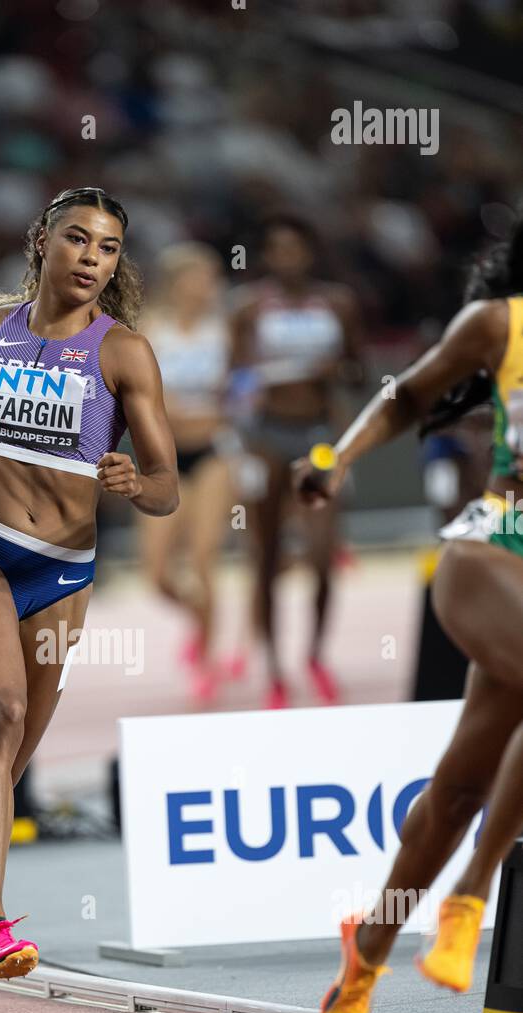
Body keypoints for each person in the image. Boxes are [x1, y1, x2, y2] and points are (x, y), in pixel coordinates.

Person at [0, 187, 178, 982]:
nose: (91, 258)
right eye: (78, 239)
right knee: (3, 713)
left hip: (64, 574)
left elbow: (167, 487)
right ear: (42, 244)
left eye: (109, 247)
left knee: (3, 756)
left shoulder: (124, 354)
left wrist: (133, 480)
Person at [297, 216, 523, 1013]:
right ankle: (468, 900)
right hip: (495, 540)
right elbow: (407, 395)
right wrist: (335, 457)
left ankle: (366, 958)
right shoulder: (498, 323)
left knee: (460, 790)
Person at [231, 214, 363, 708]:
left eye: (296, 248)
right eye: (278, 249)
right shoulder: (249, 307)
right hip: (266, 436)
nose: (288, 258)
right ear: (266, 255)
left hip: (320, 435)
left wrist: (337, 369)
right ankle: (274, 669)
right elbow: (233, 379)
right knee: (265, 557)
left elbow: (358, 371)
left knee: (323, 554)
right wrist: (256, 381)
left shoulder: (338, 302)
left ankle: (315, 655)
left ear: (310, 252)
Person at [138, 243, 236, 703]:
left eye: (212, 277)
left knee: (202, 560)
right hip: (164, 459)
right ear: (177, 283)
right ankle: (198, 621)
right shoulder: (150, 330)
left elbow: (242, 388)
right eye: (200, 277)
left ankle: (206, 657)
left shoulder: (224, 331)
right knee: (157, 574)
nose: (208, 286)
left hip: (212, 453)